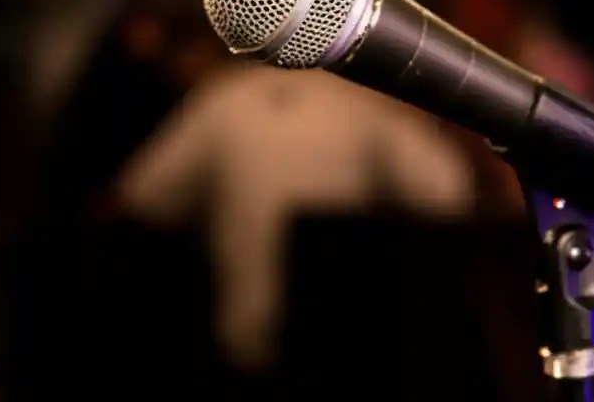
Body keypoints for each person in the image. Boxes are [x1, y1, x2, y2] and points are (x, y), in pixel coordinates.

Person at [117, 62, 473, 374]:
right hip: (350, 353)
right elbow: (448, 193)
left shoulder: (222, 97)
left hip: (245, 347)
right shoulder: (365, 101)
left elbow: (143, 196)